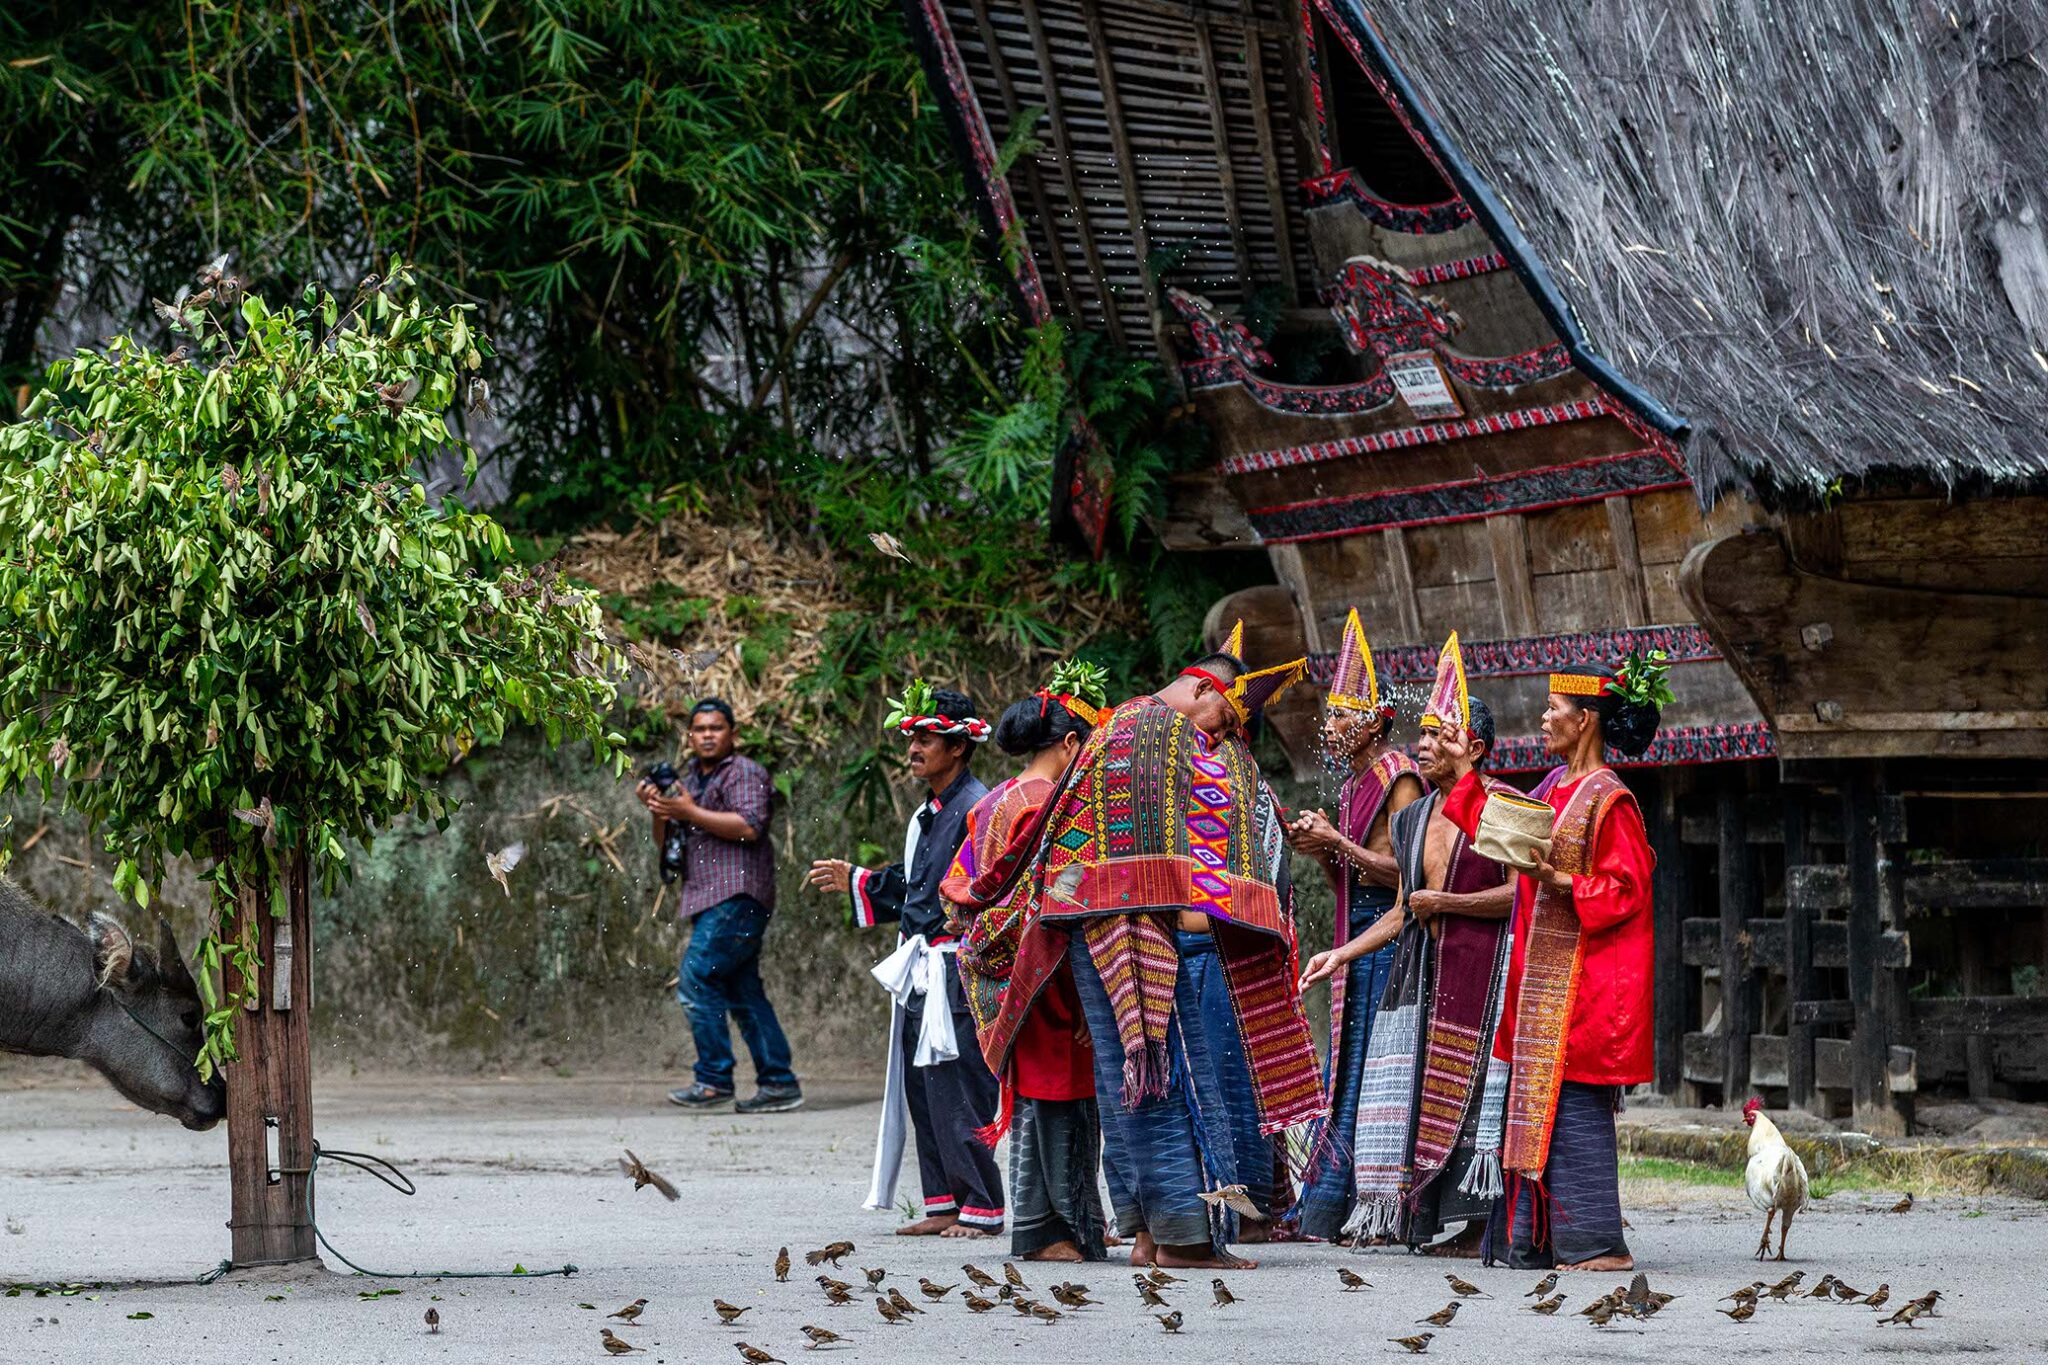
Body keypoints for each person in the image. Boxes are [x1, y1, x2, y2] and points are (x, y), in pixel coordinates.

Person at [981, 642, 1325, 1270]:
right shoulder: (1157, 729)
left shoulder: (1120, 724)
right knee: (1165, 1077)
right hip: (1131, 925)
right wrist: (1240, 904)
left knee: (1130, 1086)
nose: (1218, 738)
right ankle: (1184, 1240)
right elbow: (1158, 852)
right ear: (1203, 689)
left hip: (1097, 924)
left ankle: (1146, 1234)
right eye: (1221, 722)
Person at [1437, 652, 1665, 1272]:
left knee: (1574, 1110)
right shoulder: (1555, 789)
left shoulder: (1609, 799)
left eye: (1554, 709)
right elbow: (1503, 820)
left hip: (1587, 983)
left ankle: (1597, 1245)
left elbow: (1628, 889)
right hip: (1545, 979)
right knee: (1540, 1105)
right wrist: (1464, 768)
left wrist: (1560, 880)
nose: (1542, 719)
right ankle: (1541, 1240)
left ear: (1586, 719)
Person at [806, 682, 1004, 1239]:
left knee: (961, 1082)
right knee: (923, 1086)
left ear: (960, 746)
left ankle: (982, 1206)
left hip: (956, 967)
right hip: (923, 966)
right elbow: (921, 886)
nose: (914, 746)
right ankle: (942, 1202)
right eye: (911, 736)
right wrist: (859, 880)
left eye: (927, 737)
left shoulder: (978, 809)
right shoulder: (931, 812)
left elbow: (982, 889)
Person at [942, 661, 1111, 1263]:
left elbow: (960, 889)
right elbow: (1067, 894)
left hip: (1008, 971)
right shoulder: (1056, 809)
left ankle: (1044, 1225)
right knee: (1063, 1096)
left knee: (1040, 1096)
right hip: (1053, 968)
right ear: (1070, 744)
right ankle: (1055, 1229)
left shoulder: (991, 802)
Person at [1287, 608, 1425, 1241]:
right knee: (1345, 1062)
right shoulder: (1352, 783)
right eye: (1331, 714)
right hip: (1357, 924)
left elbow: (1402, 874)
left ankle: (1370, 1201)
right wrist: (1323, 852)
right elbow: (1345, 879)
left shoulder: (1398, 777)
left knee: (1372, 1065)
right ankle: (1330, 1205)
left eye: (1345, 715)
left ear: (1376, 720)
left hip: (1386, 933)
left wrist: (1338, 840)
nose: (1333, 725)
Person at [637, 697, 800, 1114]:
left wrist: (687, 809)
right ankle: (778, 1082)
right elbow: (666, 843)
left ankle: (713, 1080)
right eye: (700, 729)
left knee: (696, 980)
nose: (707, 735)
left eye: (716, 728)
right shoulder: (689, 779)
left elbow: (750, 825)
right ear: (689, 736)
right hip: (709, 897)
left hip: (738, 895)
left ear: (732, 734)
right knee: (743, 993)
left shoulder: (744, 772)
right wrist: (661, 809)